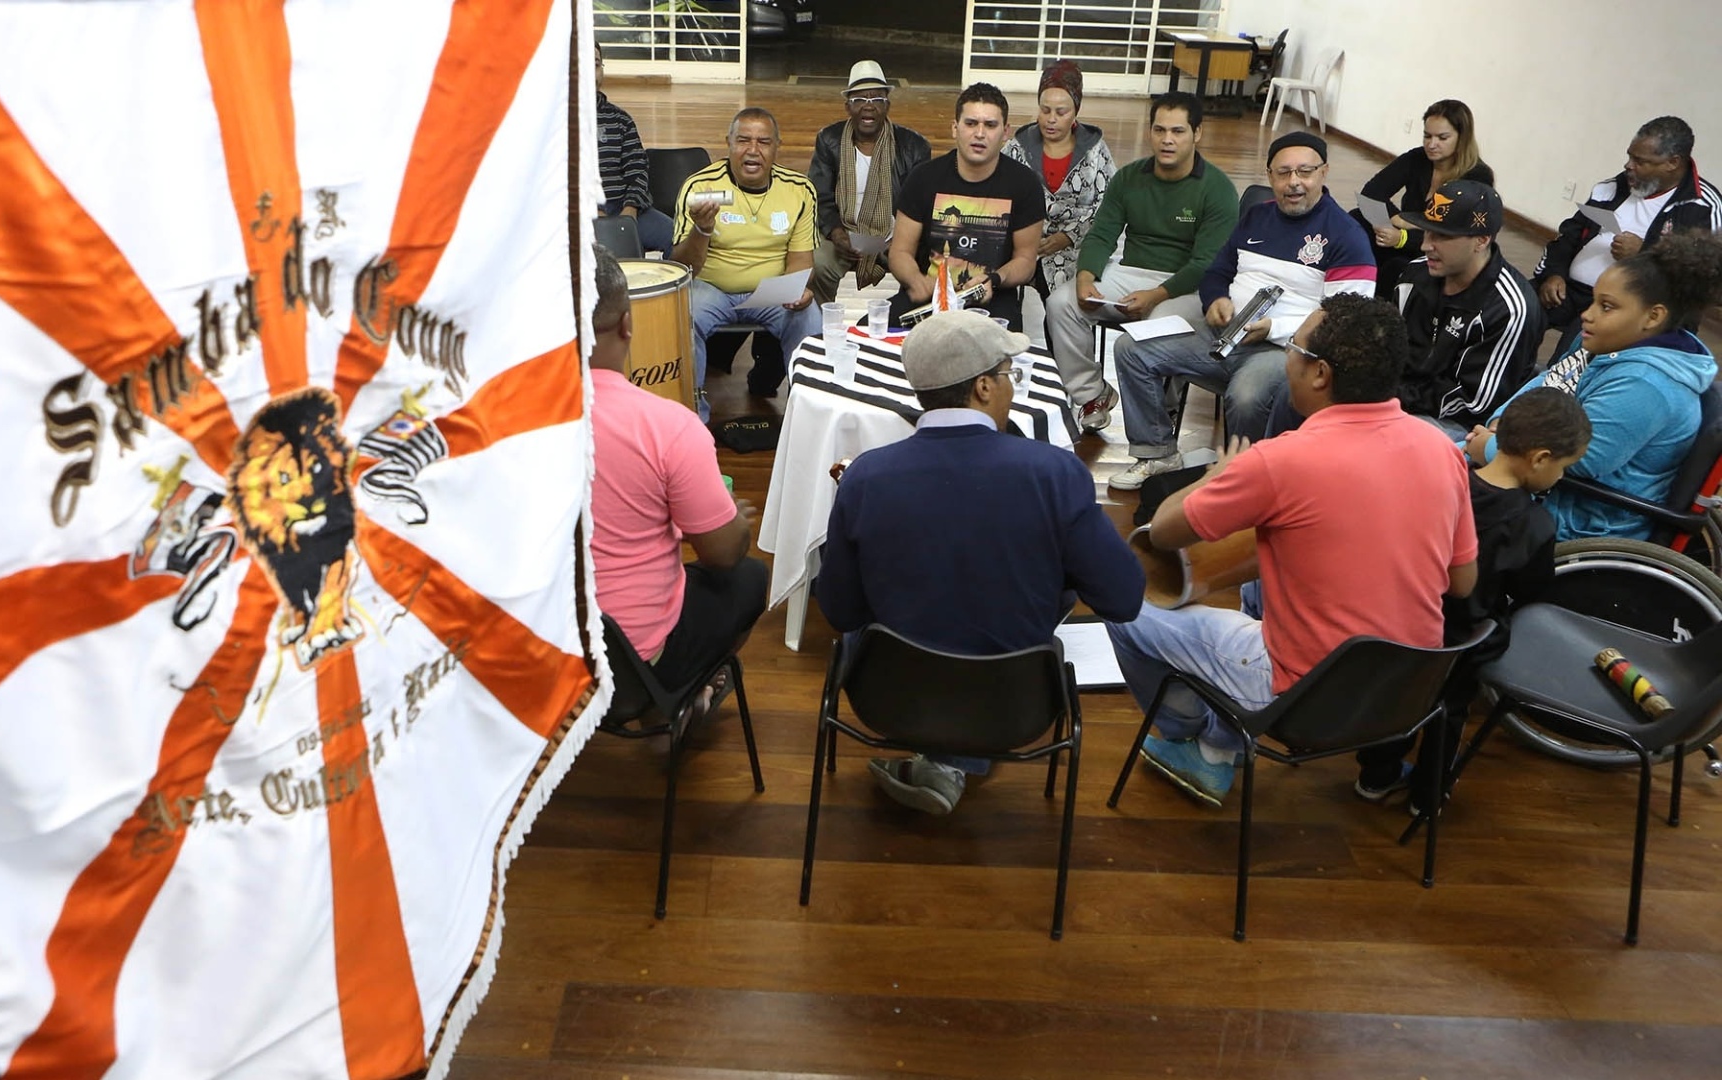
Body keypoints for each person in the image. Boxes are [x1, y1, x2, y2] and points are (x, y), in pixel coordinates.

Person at [1108, 294, 1477, 808]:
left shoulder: (1281, 460)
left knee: (1121, 603)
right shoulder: (1441, 448)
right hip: (1405, 695)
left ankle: (1191, 740)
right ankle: (1219, 746)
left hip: (1302, 700)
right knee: (1267, 576)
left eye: (1292, 346)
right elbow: (1461, 583)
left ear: (1320, 374)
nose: (1287, 356)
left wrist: (1216, 476)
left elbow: (1165, 532)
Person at [814, 310, 1144, 815]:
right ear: (985, 388)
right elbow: (1123, 598)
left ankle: (944, 761)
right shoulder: (1054, 471)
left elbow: (840, 611)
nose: (1011, 388)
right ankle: (955, 760)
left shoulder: (865, 476)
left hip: (888, 698)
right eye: (1009, 375)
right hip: (1016, 704)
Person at [1356, 388, 1590, 815]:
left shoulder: (1442, 484)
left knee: (1395, 702)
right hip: (1465, 640)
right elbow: (1532, 591)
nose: (1559, 477)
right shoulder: (1534, 524)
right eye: (1562, 467)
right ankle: (1429, 797)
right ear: (1539, 458)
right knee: (1450, 711)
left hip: (1400, 623)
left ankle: (1376, 776)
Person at [1106, 131, 1376, 489]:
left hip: (1284, 349)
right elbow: (1217, 271)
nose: (1294, 182)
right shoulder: (1255, 218)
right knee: (1131, 349)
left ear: (1324, 173)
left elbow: (1346, 319)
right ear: (1269, 176)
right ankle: (1157, 453)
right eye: (1283, 173)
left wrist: (1275, 328)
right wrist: (1215, 299)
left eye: (1305, 172)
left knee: (1246, 395)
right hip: (1223, 329)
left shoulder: (1347, 236)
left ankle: (1249, 481)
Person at [588, 246, 768, 704]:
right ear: (629, 325)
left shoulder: (498, 423)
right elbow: (722, 554)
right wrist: (736, 526)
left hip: (535, 658)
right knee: (746, 578)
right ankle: (685, 697)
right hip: (631, 669)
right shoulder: (669, 425)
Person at [1468, 232, 1722, 540]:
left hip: (1581, 521)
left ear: (1653, 317)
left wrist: (1492, 447)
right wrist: (1499, 424)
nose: (1587, 315)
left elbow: (1579, 459)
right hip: (1533, 471)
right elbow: (1548, 383)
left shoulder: (1647, 385)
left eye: (1607, 307)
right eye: (1594, 301)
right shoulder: (1603, 342)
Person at [1042, 91, 1239, 431]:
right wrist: (1086, 277)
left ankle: (1164, 410)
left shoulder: (1218, 188)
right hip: (1130, 272)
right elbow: (1102, 234)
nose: (1167, 140)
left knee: (1160, 325)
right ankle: (1092, 394)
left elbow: (1206, 262)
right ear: (1149, 132)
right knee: (1061, 302)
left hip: (1188, 285)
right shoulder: (1129, 177)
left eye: (1178, 131)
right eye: (1159, 130)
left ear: (1198, 133)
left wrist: (1156, 295)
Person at [673, 107, 821, 417]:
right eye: (743, 140)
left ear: (776, 146)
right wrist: (703, 230)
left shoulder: (799, 190)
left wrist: (797, 288)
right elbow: (683, 269)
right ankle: (691, 418)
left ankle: (808, 417)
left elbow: (800, 260)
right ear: (728, 143)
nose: (753, 150)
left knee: (810, 320)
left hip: (771, 293)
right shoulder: (700, 187)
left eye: (763, 142)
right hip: (711, 289)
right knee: (683, 318)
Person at [1532, 116, 1721, 347]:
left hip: (1632, 307)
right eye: (1630, 156)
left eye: (1640, 161)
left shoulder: (1701, 207)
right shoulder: (1614, 187)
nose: (1628, 166)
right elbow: (1570, 234)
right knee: (1516, 310)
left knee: (1574, 350)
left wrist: (1644, 254)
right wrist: (1554, 273)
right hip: (1570, 290)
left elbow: (1702, 280)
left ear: (1672, 162)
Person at [888, 83, 1046, 332]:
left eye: (990, 125)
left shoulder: (1025, 184)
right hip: (928, 297)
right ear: (955, 128)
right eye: (971, 123)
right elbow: (899, 252)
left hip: (991, 297)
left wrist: (994, 279)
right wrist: (916, 280)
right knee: (870, 334)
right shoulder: (923, 178)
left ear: (1006, 132)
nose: (980, 133)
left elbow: (1026, 261)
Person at [1391, 180, 1542, 435]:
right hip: (1400, 399)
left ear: (1481, 240)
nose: (1426, 245)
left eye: (1441, 236)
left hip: (1459, 424)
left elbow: (1473, 403)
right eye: (1426, 231)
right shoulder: (1416, 272)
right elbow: (1389, 342)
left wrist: (1390, 398)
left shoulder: (1510, 308)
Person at [806, 60, 933, 305]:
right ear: (847, 106)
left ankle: (901, 324)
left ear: (887, 106)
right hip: (842, 235)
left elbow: (919, 205)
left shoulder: (915, 147)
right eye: (859, 100)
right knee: (817, 262)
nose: (868, 107)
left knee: (920, 265)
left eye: (877, 99)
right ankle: (823, 322)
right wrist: (837, 233)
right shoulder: (829, 140)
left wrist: (899, 240)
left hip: (895, 239)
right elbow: (818, 195)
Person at [1001, 60, 1115, 315]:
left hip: (1076, 251)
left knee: (1068, 302)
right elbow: (999, 195)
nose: (1051, 120)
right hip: (1021, 246)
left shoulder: (1095, 151)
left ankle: (1063, 350)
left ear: (1075, 111)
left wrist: (1068, 237)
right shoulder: (1017, 147)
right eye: (1045, 110)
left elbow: (1109, 207)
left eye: (1061, 112)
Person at [1353, 100, 1493, 298]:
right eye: (1427, 136)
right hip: (1401, 235)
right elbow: (1371, 194)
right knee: (1357, 219)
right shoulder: (1417, 158)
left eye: (1442, 138)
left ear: (1462, 138)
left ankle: (1379, 307)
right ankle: (1350, 288)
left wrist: (1403, 236)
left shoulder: (1477, 176)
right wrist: (1398, 221)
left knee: (1396, 266)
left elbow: (1457, 233)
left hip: (1438, 251)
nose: (1431, 144)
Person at [596, 45, 673, 259]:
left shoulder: (621, 119)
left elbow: (638, 169)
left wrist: (630, 208)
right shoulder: (555, 121)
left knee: (677, 238)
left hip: (625, 207)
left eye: (595, 64)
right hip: (577, 215)